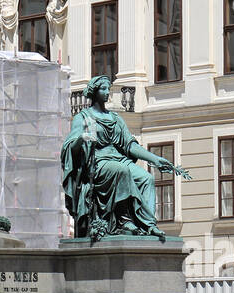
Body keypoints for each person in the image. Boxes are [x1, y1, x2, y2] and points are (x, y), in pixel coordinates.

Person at [61, 74, 191, 242]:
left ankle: (148, 225)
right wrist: (83, 137)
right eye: (103, 89)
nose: (107, 92)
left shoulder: (115, 118)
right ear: (94, 92)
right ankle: (125, 221)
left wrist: (155, 159)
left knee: (147, 178)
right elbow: (70, 145)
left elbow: (130, 146)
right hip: (99, 162)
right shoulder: (83, 117)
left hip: (119, 159)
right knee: (121, 171)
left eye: (108, 89)